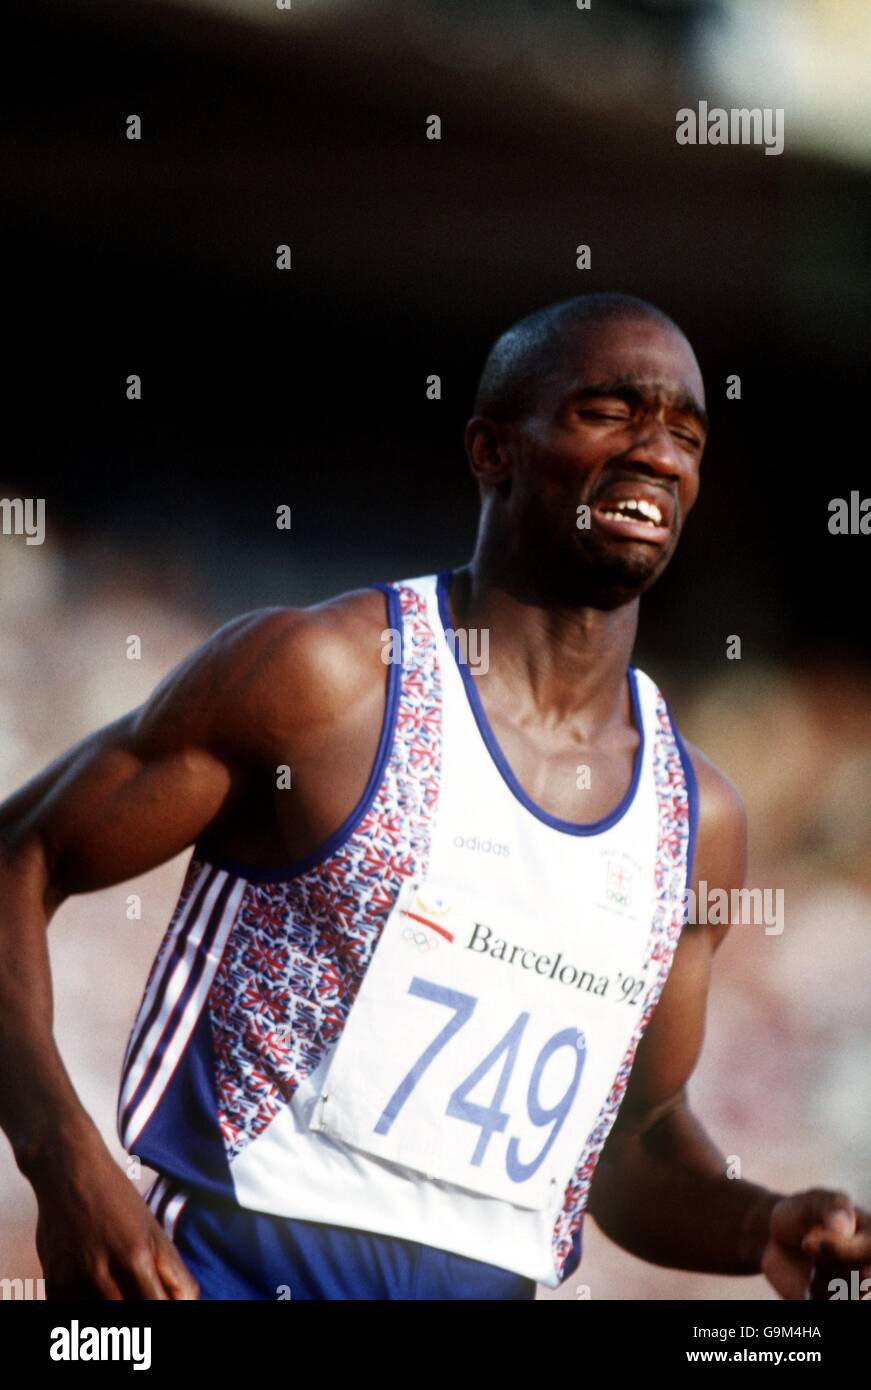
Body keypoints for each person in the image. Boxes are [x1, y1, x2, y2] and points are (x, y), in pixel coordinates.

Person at [1, 292, 868, 1300]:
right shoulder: (324, 681)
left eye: (686, 431)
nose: (657, 452)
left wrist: (763, 1220)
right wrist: (65, 1164)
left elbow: (625, 1145)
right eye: (608, 412)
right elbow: (18, 857)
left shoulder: (695, 820)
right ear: (491, 450)